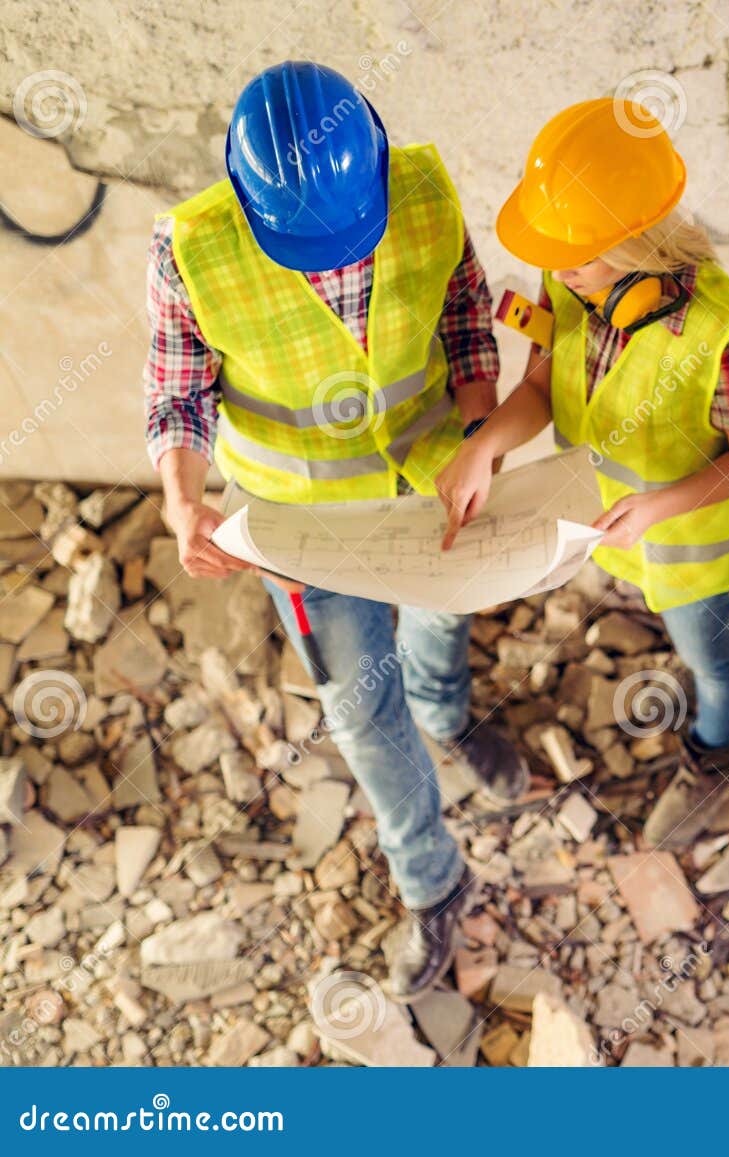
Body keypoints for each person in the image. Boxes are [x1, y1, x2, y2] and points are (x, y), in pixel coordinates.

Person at [145, 61, 528, 1002]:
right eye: (304, 255)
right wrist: (182, 496)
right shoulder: (189, 251)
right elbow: (178, 392)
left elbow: (467, 317)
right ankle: (432, 882)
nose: (327, 268)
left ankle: (446, 705)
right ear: (244, 198)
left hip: (430, 484)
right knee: (360, 711)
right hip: (301, 527)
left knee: (444, 620)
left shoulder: (425, 191)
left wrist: (478, 432)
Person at [435, 98, 729, 849]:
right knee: (692, 647)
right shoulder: (574, 277)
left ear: (640, 244)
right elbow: (536, 388)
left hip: (699, 555)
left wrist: (659, 509)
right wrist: (482, 446)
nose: (558, 270)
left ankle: (711, 760)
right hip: (623, 531)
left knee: (714, 662)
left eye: (578, 257)